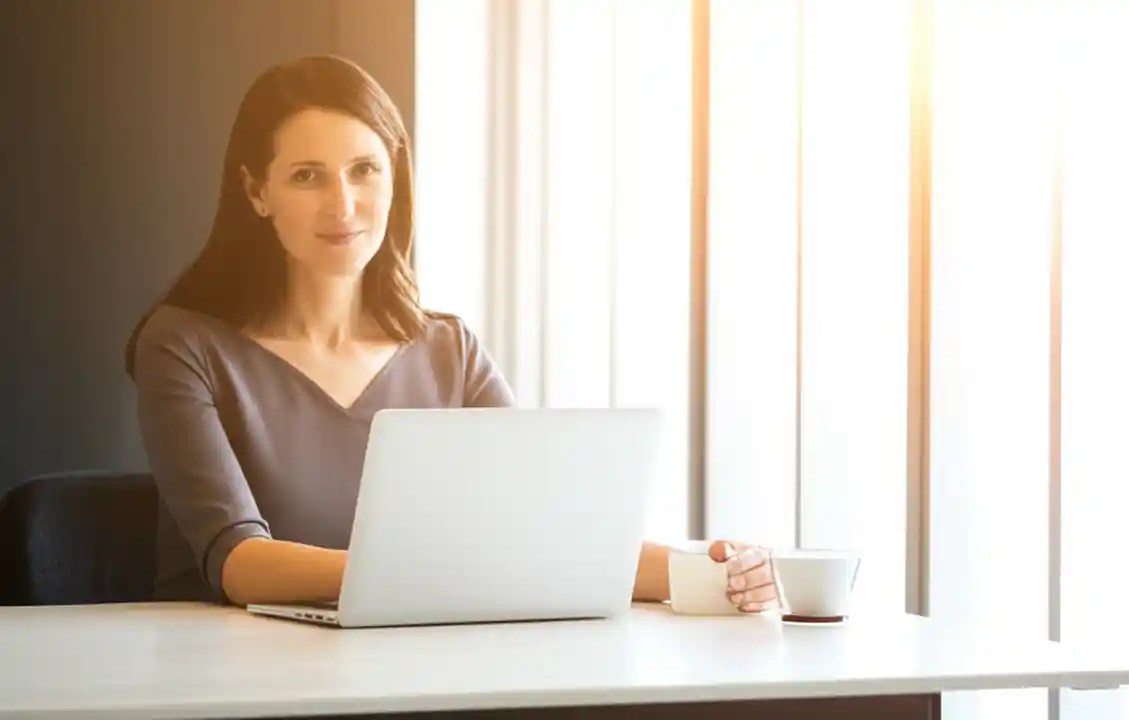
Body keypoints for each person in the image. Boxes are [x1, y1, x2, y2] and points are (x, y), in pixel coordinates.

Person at [125, 54, 779, 613]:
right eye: (306, 176)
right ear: (256, 191)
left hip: (422, 668)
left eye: (364, 169)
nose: (342, 205)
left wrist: (708, 572)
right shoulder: (184, 345)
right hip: (230, 676)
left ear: (395, 176)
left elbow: (550, 539)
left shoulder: (449, 351)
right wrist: (439, 578)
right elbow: (240, 564)